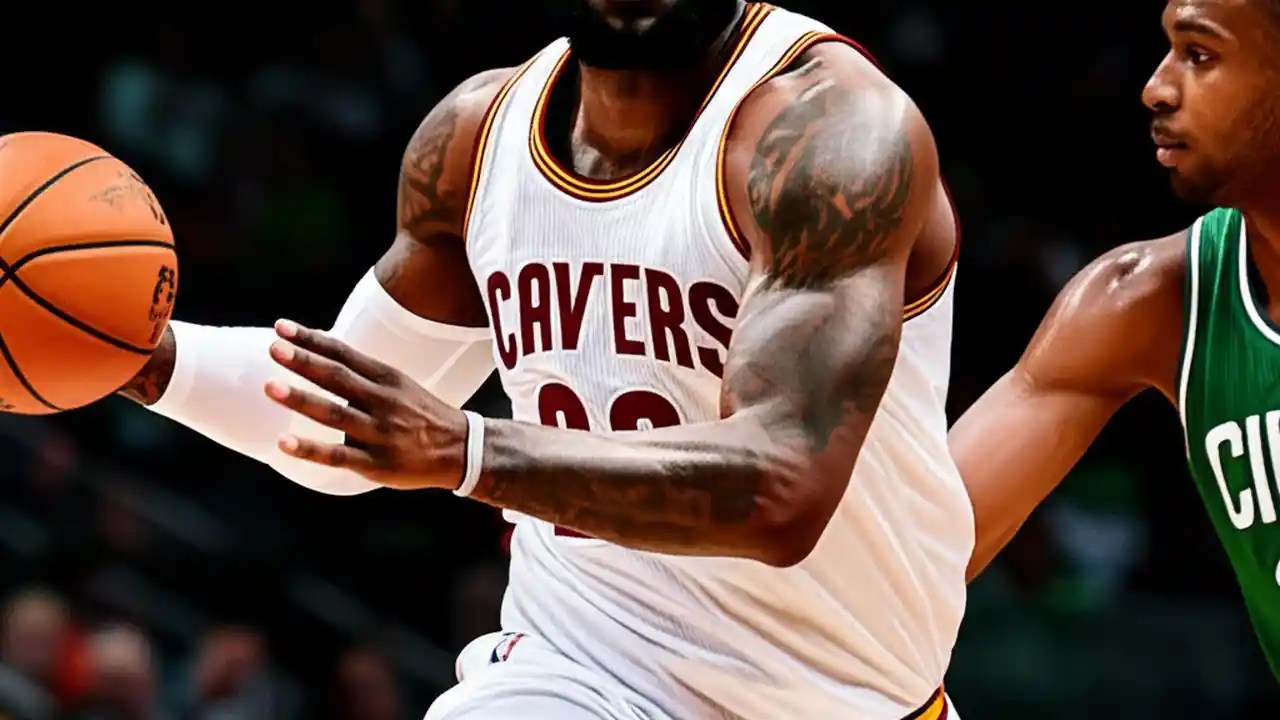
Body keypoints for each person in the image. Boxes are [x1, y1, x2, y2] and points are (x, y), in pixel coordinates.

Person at [120, 1, 967, 717]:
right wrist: (132, 355)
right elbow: (347, 432)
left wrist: (468, 450)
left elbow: (782, 487)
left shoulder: (833, 131)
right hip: (576, 666)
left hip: (838, 694)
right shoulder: (475, 139)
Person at [951, 0, 1280, 683]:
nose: (1155, 86)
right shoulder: (1144, 301)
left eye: (1200, 54)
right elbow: (916, 549)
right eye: (1168, 49)